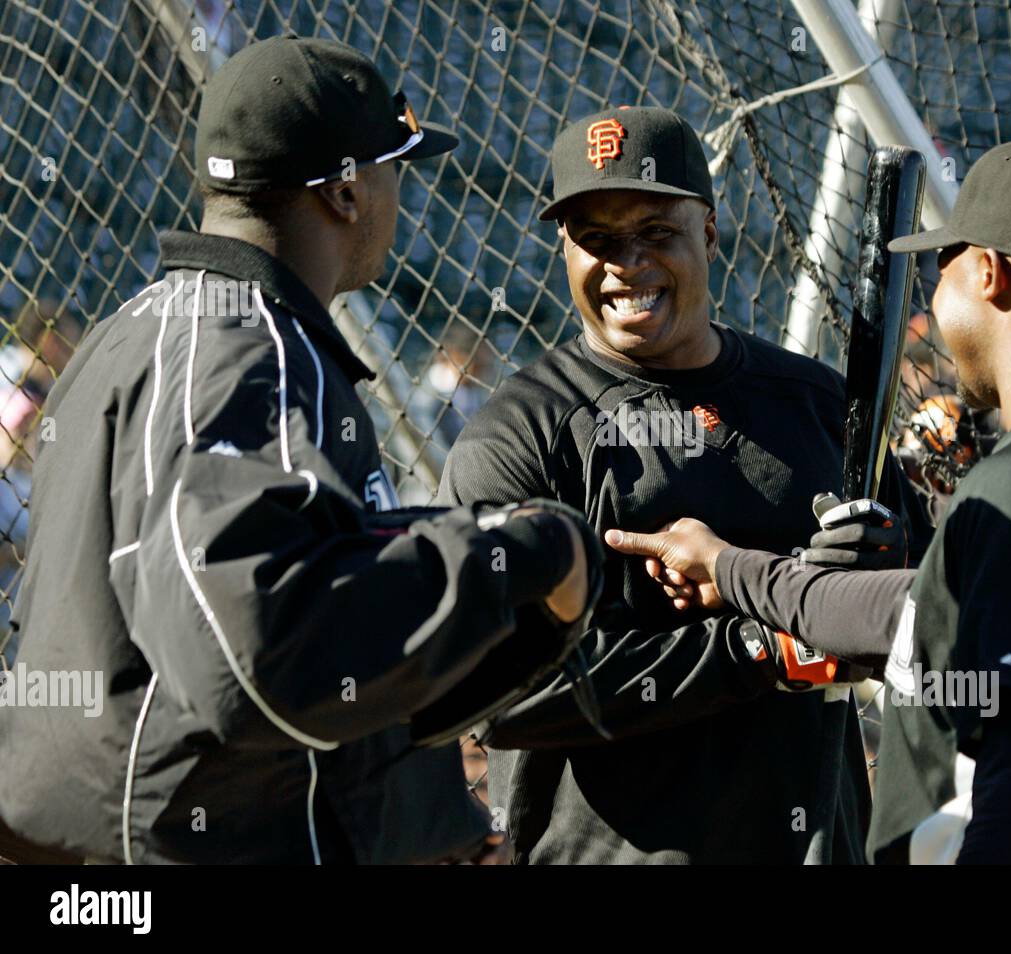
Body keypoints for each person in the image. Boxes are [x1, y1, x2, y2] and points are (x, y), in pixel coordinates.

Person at [0, 36, 600, 865]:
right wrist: (525, 553)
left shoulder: (122, 333)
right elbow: (250, 654)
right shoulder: (251, 348)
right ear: (348, 192)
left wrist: (435, 829)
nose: (402, 192)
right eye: (396, 167)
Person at [609, 138, 1011, 864]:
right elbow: (919, 611)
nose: (935, 305)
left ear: (990, 273)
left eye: (945, 269)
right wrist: (732, 566)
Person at [437, 105, 930, 864]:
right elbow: (493, 694)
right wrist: (761, 649)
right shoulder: (518, 435)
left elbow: (935, 622)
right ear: (562, 249)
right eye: (595, 240)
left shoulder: (820, 406)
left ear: (708, 230)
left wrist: (874, 585)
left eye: (655, 233)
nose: (625, 263)